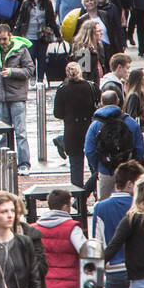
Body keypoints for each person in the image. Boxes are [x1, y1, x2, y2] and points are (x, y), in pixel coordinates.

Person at [92, 159, 144, 288]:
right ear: (131, 184)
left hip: (112, 269)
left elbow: (97, 241)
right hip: (137, 270)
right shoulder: (138, 206)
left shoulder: (101, 207)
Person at [0, 24, 34, 175]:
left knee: (20, 132)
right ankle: (5, 162)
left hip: (17, 96)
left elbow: (30, 70)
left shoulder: (21, 50)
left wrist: (12, 72)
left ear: (10, 36)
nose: (2, 42)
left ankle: (24, 163)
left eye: (4, 39)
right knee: (3, 132)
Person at [54, 61, 100, 194]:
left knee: (75, 167)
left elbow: (58, 114)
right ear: (80, 71)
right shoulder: (91, 86)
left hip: (71, 132)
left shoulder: (62, 89)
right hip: (90, 131)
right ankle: (95, 192)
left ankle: (79, 198)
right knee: (95, 167)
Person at [15, 0, 58, 81]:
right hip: (29, 33)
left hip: (43, 34)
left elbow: (51, 20)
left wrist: (58, 34)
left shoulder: (47, 3)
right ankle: (32, 76)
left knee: (42, 57)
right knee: (31, 56)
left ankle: (40, 79)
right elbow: (21, 19)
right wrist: (16, 33)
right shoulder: (26, 3)